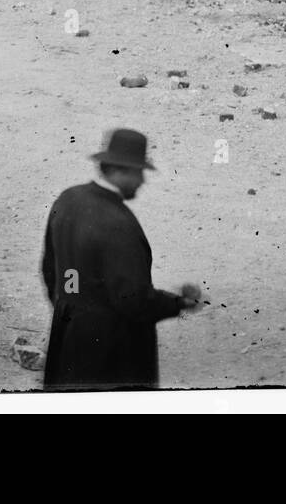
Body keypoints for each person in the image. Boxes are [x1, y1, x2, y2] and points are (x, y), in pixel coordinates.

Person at [40, 128, 201, 391]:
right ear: (122, 170)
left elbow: (51, 271)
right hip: (109, 353)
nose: (141, 182)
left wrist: (71, 309)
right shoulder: (118, 224)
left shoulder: (68, 199)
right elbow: (133, 300)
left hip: (68, 337)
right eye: (139, 173)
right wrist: (178, 303)